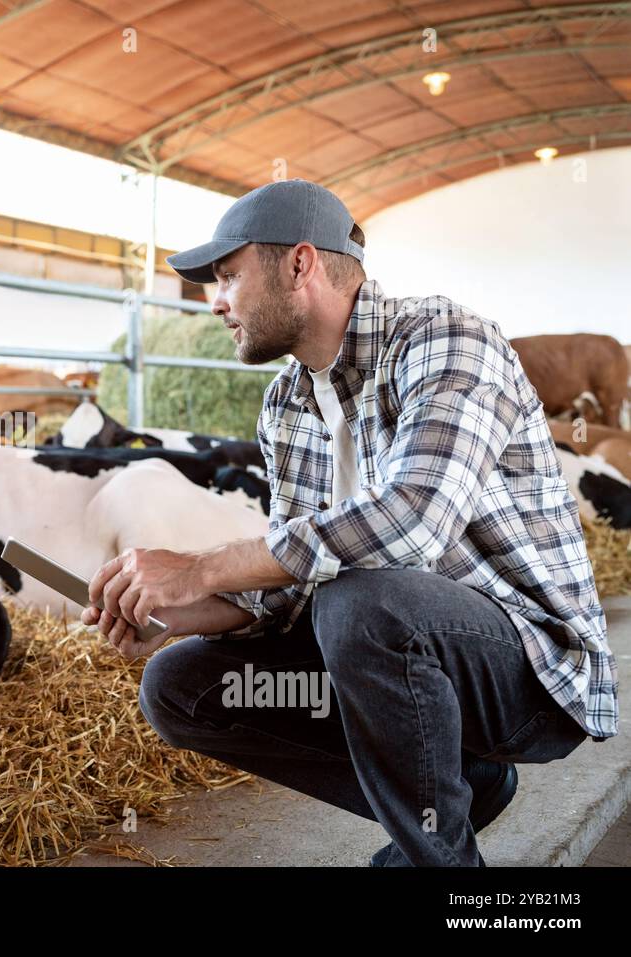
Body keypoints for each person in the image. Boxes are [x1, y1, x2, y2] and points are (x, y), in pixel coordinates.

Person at [83, 178, 618, 867]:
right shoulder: (285, 405)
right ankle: (456, 790)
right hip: (397, 651)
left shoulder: (445, 338)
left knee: (360, 599)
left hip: (530, 673)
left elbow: (412, 523)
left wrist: (201, 564)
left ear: (299, 264)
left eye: (228, 276)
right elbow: (287, 590)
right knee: (178, 687)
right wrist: (182, 607)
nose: (215, 302)